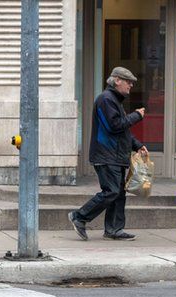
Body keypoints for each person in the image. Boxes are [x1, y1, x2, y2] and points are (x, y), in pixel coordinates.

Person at [68, 67, 148, 241]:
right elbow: (115, 125)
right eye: (128, 81)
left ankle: (114, 230)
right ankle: (79, 217)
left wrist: (138, 146)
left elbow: (123, 131)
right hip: (106, 156)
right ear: (117, 80)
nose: (131, 85)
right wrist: (136, 116)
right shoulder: (106, 99)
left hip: (115, 156)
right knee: (111, 191)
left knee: (118, 194)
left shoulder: (114, 100)